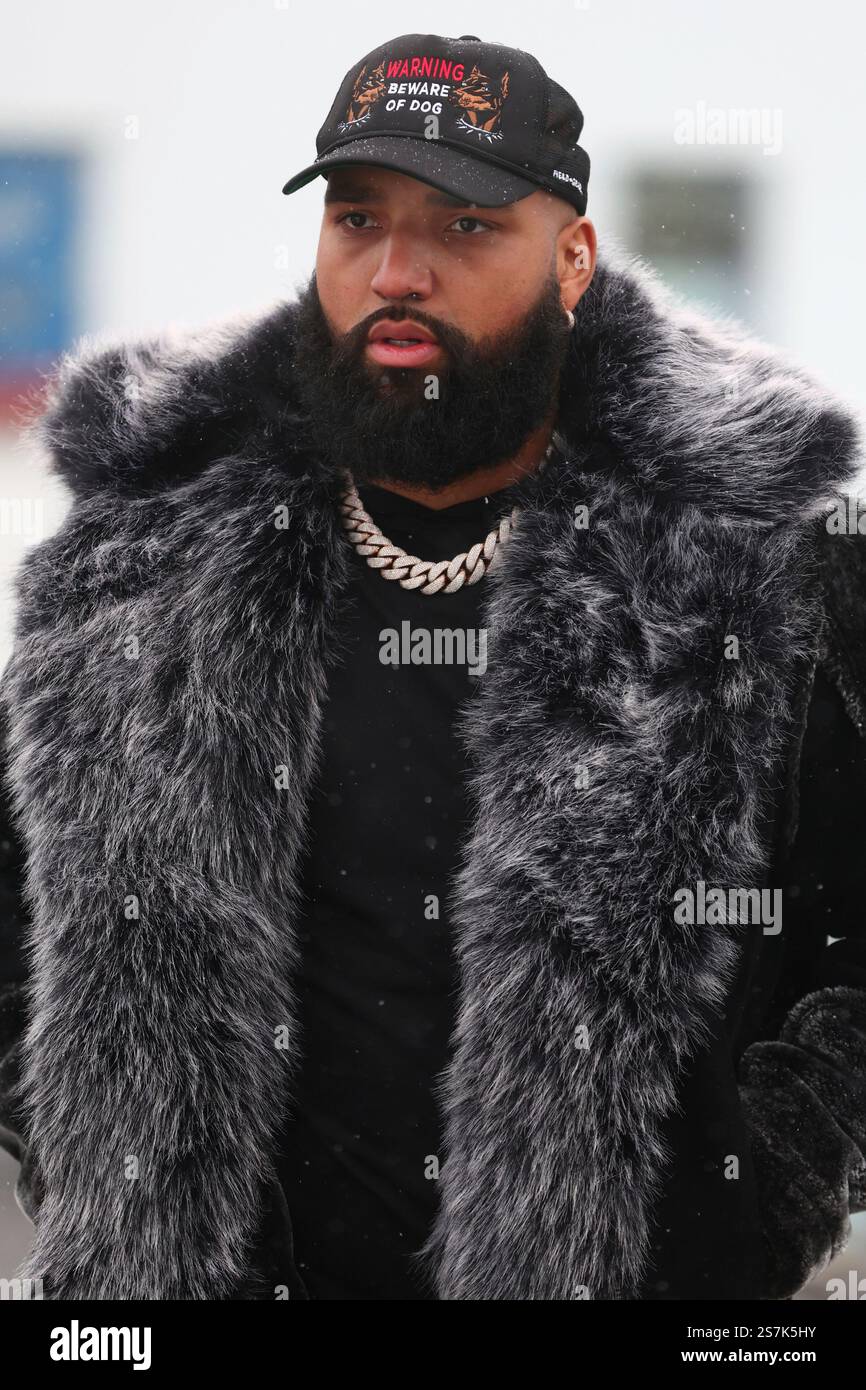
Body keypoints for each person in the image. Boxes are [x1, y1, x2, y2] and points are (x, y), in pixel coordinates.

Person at [1, 30, 865, 1302]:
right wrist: (86, 1169)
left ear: (571, 258)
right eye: (358, 220)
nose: (396, 272)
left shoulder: (751, 565)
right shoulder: (149, 555)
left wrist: (763, 1190)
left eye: (462, 227)